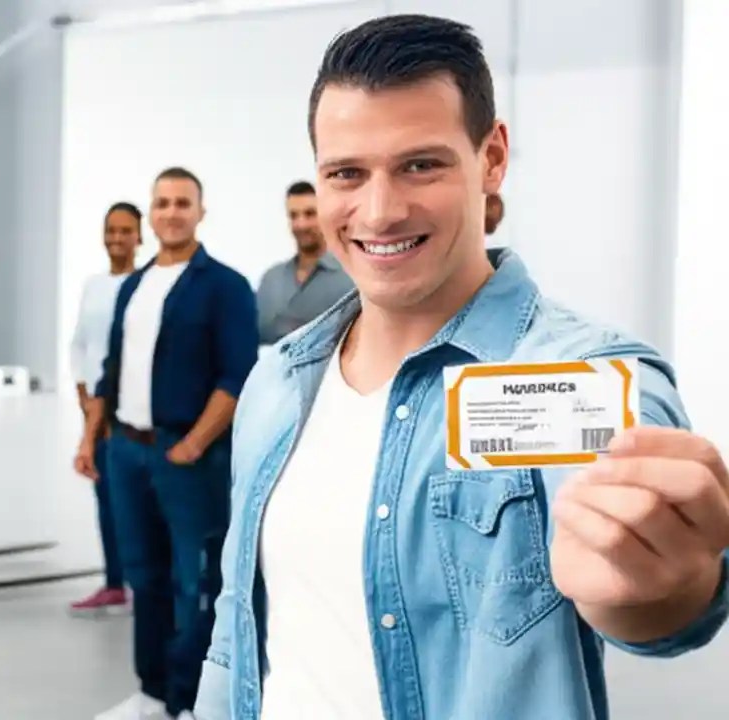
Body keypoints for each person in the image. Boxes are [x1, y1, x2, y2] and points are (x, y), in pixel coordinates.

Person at [195, 14, 729, 720]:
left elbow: (655, 601)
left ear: (493, 157)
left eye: (421, 164)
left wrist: (659, 587)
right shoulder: (277, 383)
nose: (380, 212)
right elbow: (238, 633)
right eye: (347, 174)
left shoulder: (588, 373)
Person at [75, 167, 258, 720]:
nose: (172, 212)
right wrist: (91, 438)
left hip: (186, 456)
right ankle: (153, 691)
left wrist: (196, 444)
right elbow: (108, 369)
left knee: (192, 582)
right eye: (162, 203)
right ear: (150, 214)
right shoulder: (134, 285)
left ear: (200, 211)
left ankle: (190, 701)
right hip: (126, 450)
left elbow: (237, 374)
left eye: (183, 203)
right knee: (143, 576)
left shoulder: (224, 286)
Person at [67, 201, 143, 616]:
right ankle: (114, 582)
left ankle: (143, 582)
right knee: (106, 500)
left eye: (125, 231)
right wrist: (84, 401)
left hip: (125, 410)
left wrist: (110, 409)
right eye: (111, 230)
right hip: (94, 410)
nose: (117, 238)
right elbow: (80, 345)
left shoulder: (144, 285)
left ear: (139, 236)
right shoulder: (94, 285)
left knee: (134, 502)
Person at [255, 180, 354, 344]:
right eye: (293, 216)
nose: (301, 224)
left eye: (310, 214)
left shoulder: (350, 277)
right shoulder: (271, 279)